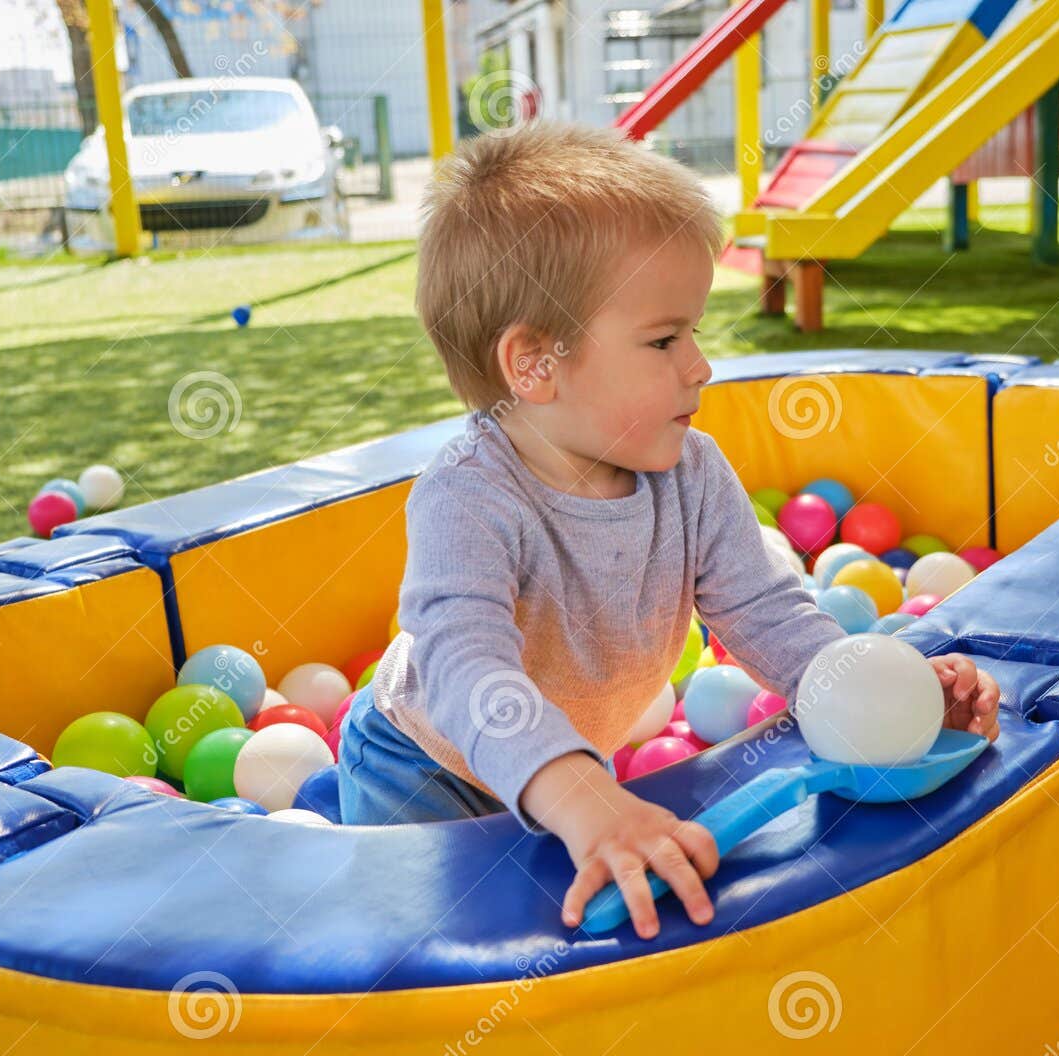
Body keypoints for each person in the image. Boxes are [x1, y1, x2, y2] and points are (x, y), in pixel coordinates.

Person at [338, 121, 1000, 940]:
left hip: (576, 761)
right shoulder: (468, 498)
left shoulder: (689, 470)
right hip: (426, 769)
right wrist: (584, 795)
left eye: (694, 332)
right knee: (432, 963)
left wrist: (879, 699)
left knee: (583, 927)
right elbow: (468, 668)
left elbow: (770, 613)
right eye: (663, 339)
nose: (700, 366)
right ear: (534, 363)